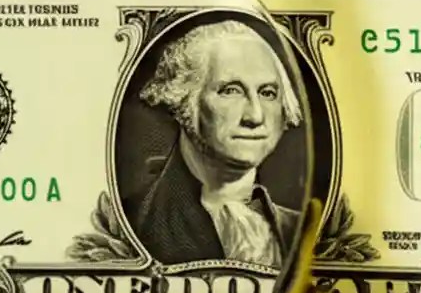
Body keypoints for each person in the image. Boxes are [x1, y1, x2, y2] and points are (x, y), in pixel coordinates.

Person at [122, 18, 304, 267]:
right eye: (231, 91)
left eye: (268, 93)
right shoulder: (128, 225)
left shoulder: (302, 230)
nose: (255, 116)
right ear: (183, 99)